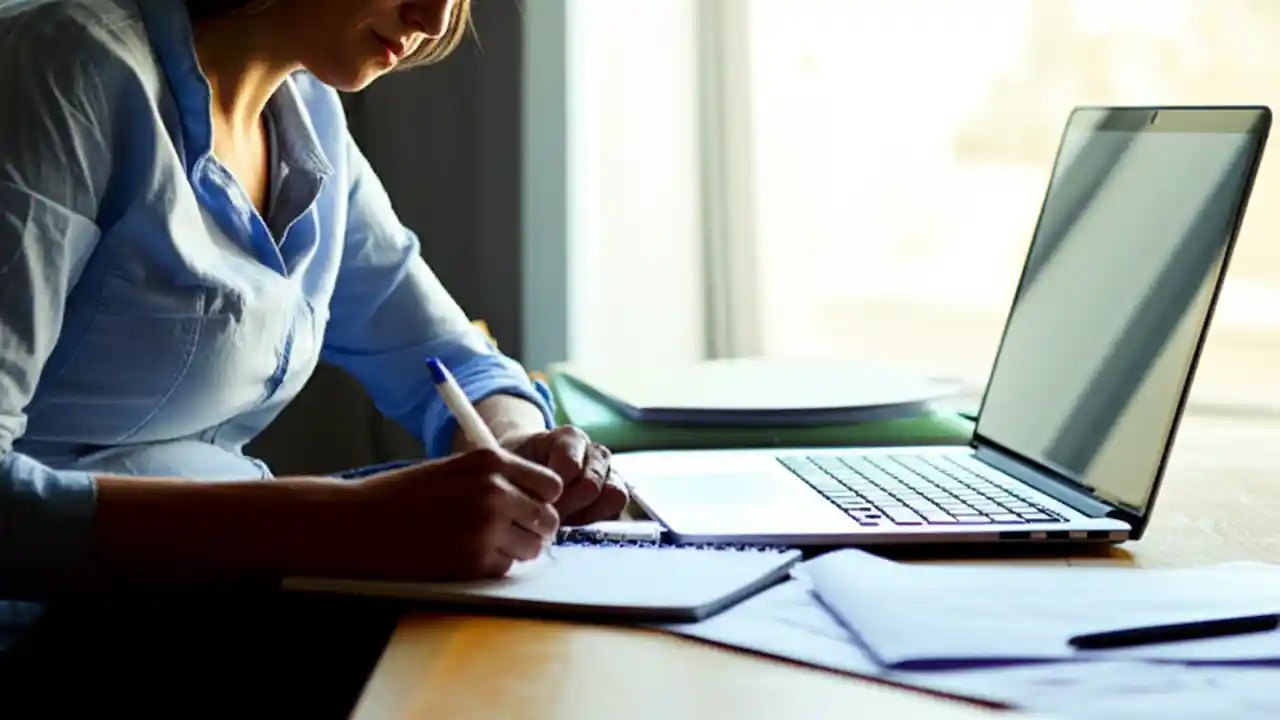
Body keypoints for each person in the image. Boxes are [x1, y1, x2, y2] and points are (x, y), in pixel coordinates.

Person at [0, 0, 629, 598]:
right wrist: (347, 521)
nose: (434, 20)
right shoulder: (62, 73)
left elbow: (451, 358)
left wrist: (519, 449)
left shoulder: (307, 116)